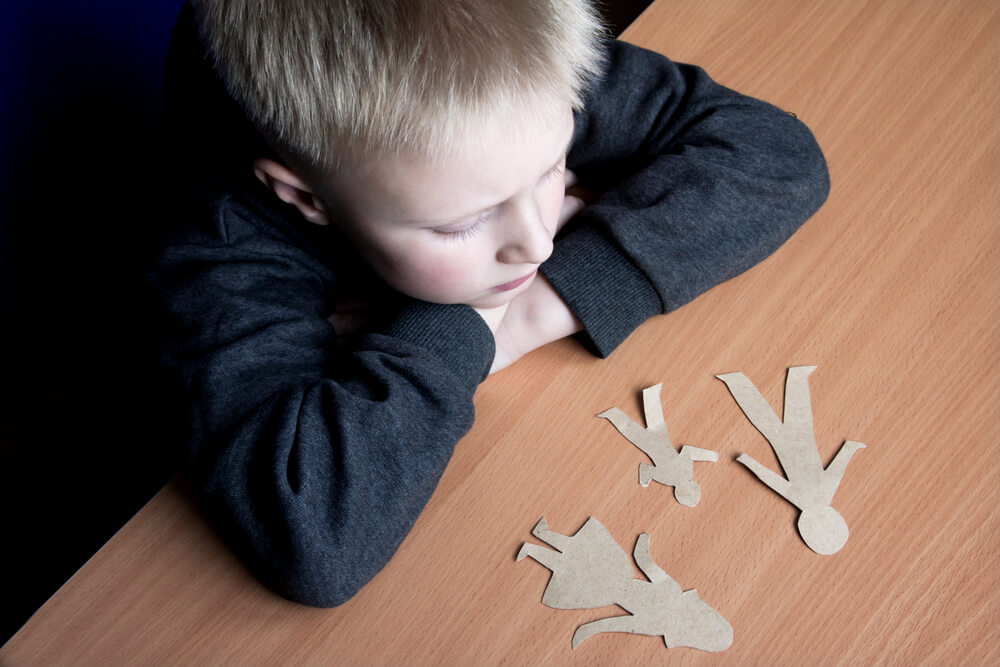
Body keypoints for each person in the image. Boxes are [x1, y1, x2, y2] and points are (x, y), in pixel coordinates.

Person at [151, 0, 829, 608]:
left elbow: (775, 156)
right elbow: (314, 536)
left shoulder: (506, 67)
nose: (536, 242)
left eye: (553, 169)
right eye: (459, 224)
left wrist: (530, 312)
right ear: (305, 197)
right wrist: (462, 321)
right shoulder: (222, 245)